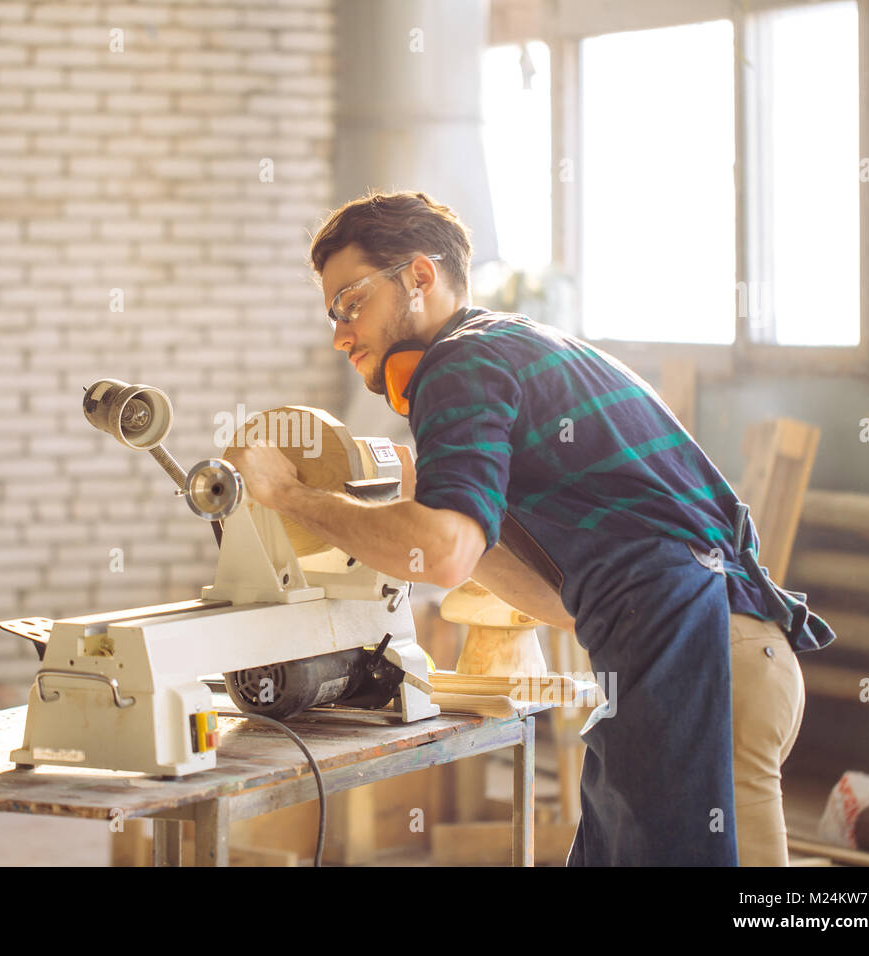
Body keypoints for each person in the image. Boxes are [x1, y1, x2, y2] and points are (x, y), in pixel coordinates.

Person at [223, 190, 835, 866]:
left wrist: (289, 496)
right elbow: (555, 603)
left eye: (350, 303)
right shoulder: (508, 349)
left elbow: (444, 552)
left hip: (705, 663)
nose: (340, 333)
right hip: (715, 658)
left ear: (419, 278)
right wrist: (423, 492)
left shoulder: (458, 365)